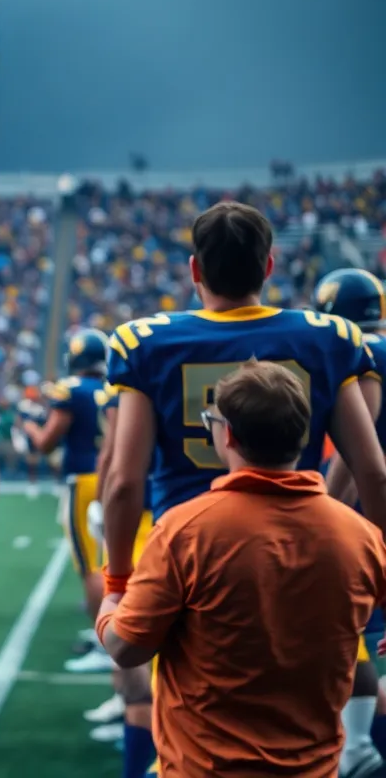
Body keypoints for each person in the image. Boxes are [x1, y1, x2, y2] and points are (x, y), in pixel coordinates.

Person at [104, 201, 386, 778]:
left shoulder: (148, 341)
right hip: (308, 547)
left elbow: (123, 480)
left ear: (194, 270)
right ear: (269, 265)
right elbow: (373, 469)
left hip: (189, 552)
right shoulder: (327, 337)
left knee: (201, 712)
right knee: (302, 697)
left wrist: (116, 579)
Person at [312, 267, 386, 771]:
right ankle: (358, 746)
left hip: (368, 514)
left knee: (346, 630)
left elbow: (362, 453)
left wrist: (324, 508)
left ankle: (358, 747)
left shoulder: (366, 354)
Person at [23, 328, 111, 675]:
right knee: (110, 558)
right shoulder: (113, 388)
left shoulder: (71, 391)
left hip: (83, 481)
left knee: (91, 564)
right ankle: (108, 632)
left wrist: (30, 426)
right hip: (111, 476)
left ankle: (106, 646)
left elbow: (46, 443)